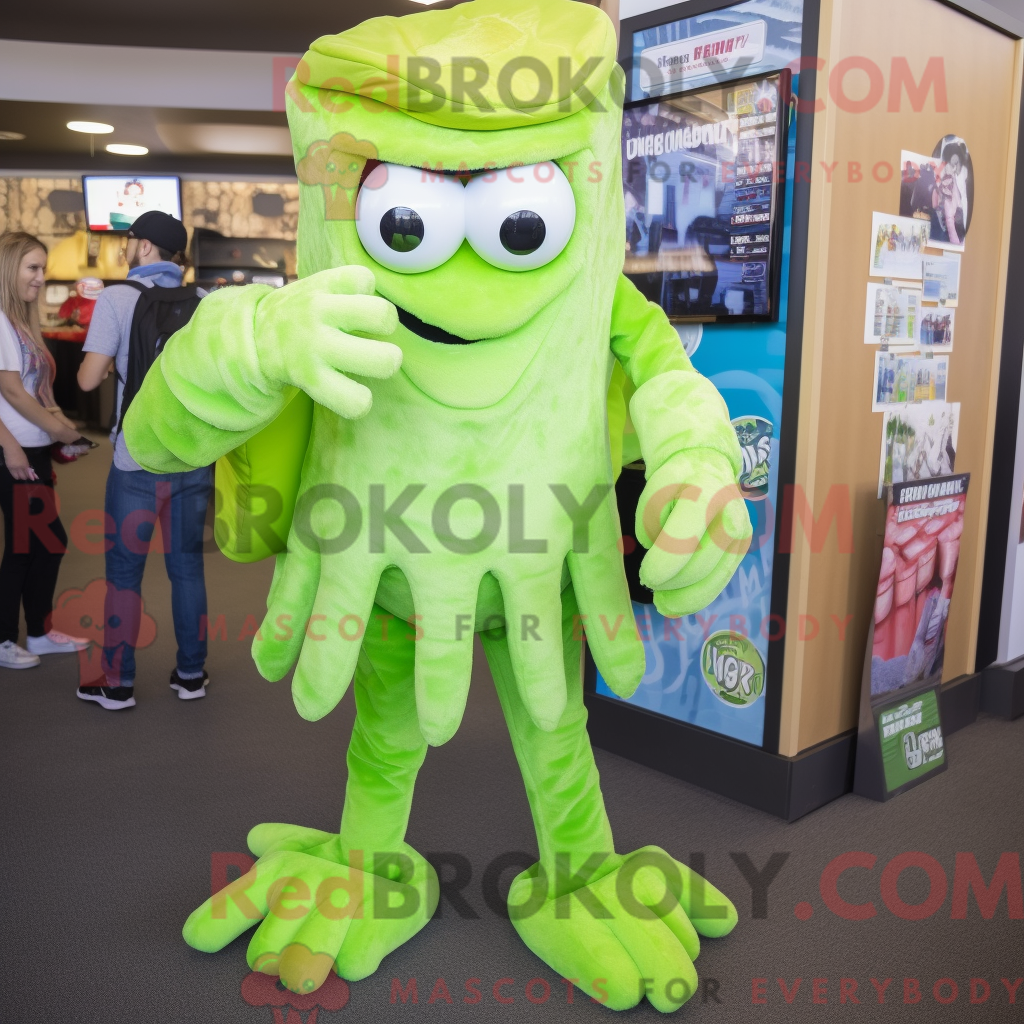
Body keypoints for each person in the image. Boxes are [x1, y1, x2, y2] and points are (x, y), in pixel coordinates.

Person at [77, 212, 211, 710]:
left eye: (129, 240)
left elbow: (88, 381)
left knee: (124, 575)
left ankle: (118, 683)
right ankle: (192, 675)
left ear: (146, 247)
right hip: (192, 457)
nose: (126, 247)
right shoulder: (204, 303)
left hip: (136, 462)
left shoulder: (116, 299)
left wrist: (114, 359)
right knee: (188, 571)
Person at [0, 231, 89, 669]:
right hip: (13, 454)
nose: (40, 278)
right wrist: (17, 446)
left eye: (43, 269)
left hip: (32, 451)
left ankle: (36, 632)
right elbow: (12, 394)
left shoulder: (19, 323)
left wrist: (58, 428)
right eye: (32, 268)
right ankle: (7, 639)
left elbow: (34, 391)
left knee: (44, 544)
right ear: (8, 267)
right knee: (29, 546)